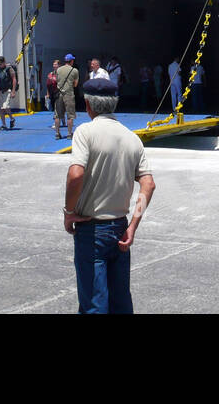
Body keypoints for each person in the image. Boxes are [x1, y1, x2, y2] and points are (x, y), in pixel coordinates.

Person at [62, 77, 155, 314]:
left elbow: (75, 175)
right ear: (114, 104)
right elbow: (148, 184)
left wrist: (69, 213)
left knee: (94, 305)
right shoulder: (132, 138)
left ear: (88, 105)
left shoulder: (85, 132)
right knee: (120, 304)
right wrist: (133, 225)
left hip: (92, 232)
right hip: (120, 229)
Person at [55, 54, 81, 139]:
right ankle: (69, 134)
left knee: (57, 115)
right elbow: (76, 85)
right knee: (70, 115)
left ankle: (57, 134)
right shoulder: (74, 71)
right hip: (69, 94)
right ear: (71, 61)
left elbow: (57, 81)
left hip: (59, 94)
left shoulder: (58, 70)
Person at [0, 55, 19, 129]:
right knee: (1, 109)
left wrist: (13, 91)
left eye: (1, 63)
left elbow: (14, 79)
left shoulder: (9, 69)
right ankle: (4, 125)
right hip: (0, 91)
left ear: (4, 62)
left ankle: (12, 118)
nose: (0, 65)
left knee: (6, 106)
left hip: (7, 90)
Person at [48, 59, 61, 132]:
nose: (54, 66)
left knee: (57, 108)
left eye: (56, 64)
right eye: (54, 64)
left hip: (59, 93)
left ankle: (56, 123)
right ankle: (61, 119)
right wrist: (48, 93)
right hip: (53, 93)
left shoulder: (61, 74)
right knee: (55, 108)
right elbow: (48, 84)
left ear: (59, 65)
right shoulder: (51, 73)